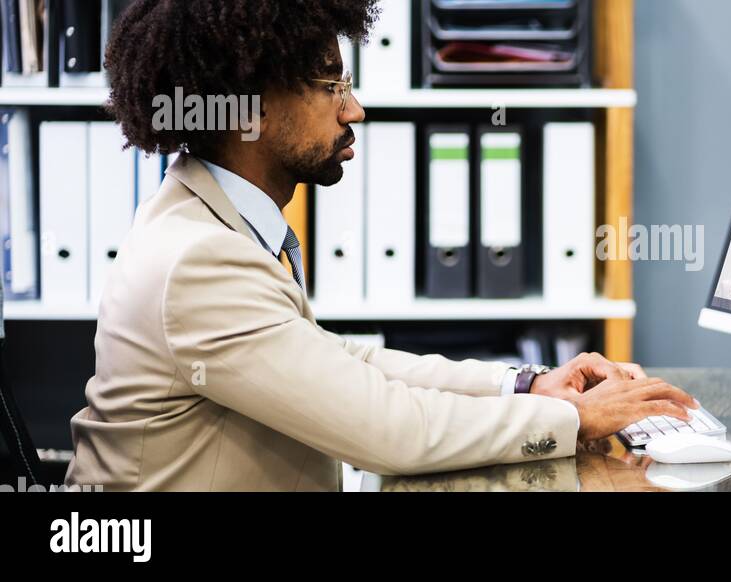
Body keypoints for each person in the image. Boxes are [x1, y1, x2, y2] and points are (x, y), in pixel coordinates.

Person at [64, 0, 696, 491]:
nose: (355, 110)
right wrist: (577, 420)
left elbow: (339, 366)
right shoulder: (198, 261)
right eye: (331, 86)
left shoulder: (205, 216)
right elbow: (385, 431)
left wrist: (527, 386)